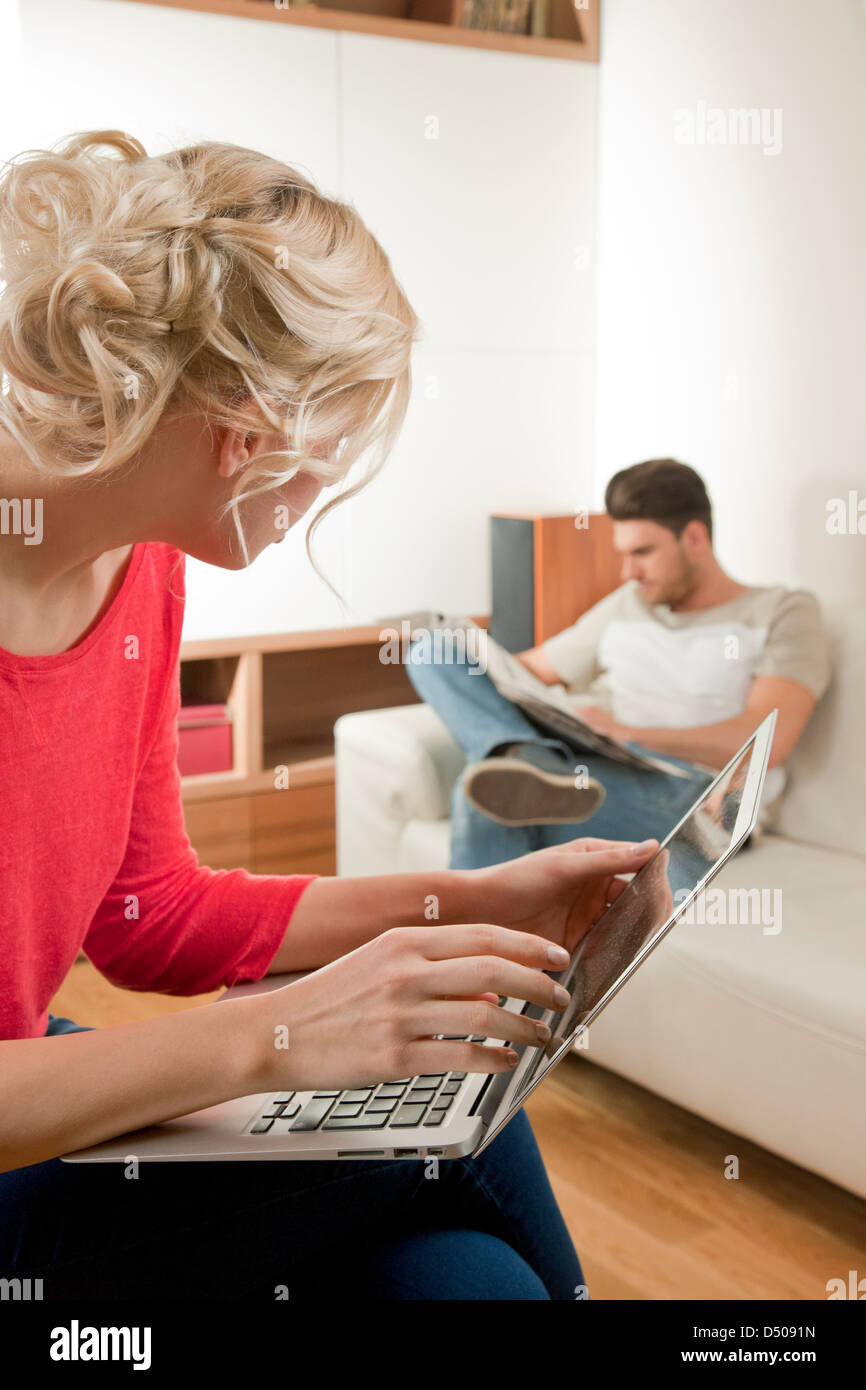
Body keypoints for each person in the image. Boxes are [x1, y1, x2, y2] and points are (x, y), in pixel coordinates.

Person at [0, 129, 660, 1301]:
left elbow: (152, 915)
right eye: (340, 439)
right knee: (441, 1096)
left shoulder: (140, 570)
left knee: (463, 1273)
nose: (332, 485)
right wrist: (285, 1034)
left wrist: (469, 900)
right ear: (247, 426)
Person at [407, 459, 832, 871]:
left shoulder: (783, 611)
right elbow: (522, 673)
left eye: (643, 552)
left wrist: (625, 733)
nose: (629, 571)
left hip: (699, 795)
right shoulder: (629, 604)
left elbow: (766, 740)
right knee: (432, 651)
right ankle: (527, 758)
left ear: (695, 539)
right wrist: (470, 662)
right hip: (594, 771)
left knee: (483, 797)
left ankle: (526, 777)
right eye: (623, 554)